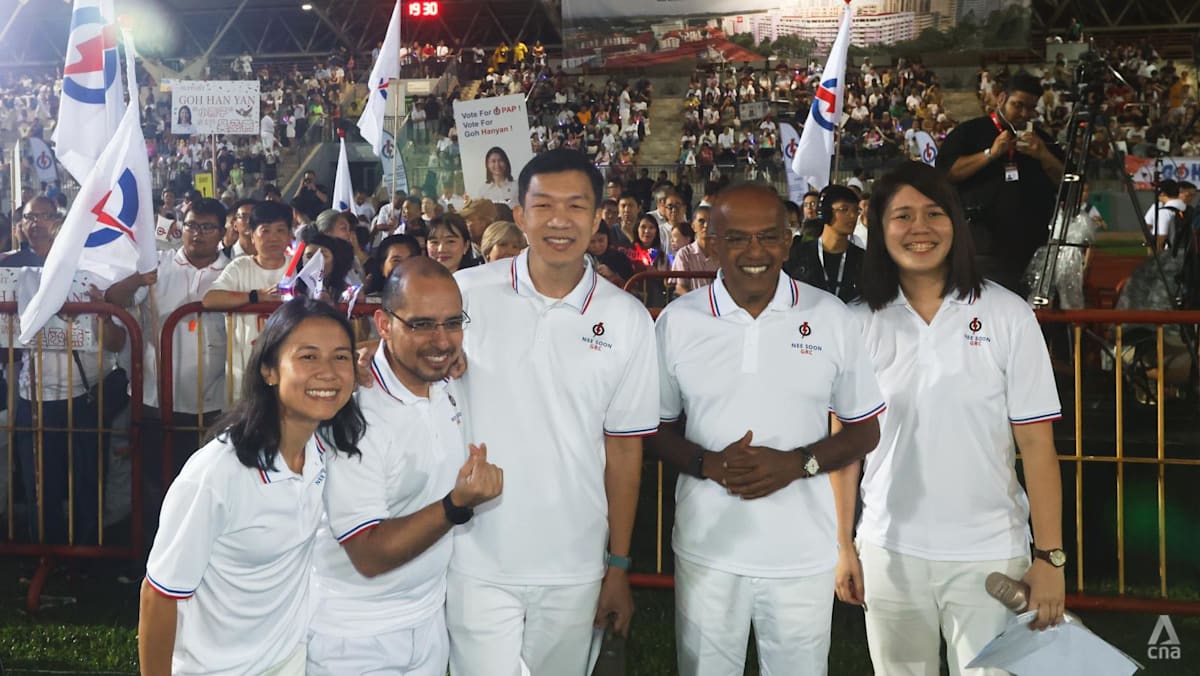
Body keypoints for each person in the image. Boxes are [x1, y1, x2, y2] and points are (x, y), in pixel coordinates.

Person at [650, 183, 884, 676]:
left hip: (803, 553)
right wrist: (706, 463)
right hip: (708, 551)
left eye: (769, 237)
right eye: (736, 238)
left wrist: (798, 464)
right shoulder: (678, 322)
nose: (755, 252)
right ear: (710, 242)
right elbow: (656, 429)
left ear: (788, 240)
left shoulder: (830, 317)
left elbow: (865, 430)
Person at [845, 162, 1066, 674]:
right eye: (902, 215)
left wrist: (1050, 557)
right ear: (879, 229)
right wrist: (844, 545)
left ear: (957, 224)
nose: (919, 228)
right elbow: (846, 448)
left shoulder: (1008, 314)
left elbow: (1036, 446)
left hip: (989, 554)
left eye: (934, 212)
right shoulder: (856, 322)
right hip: (888, 552)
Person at [447, 149, 658, 675]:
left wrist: (618, 564)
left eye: (575, 206)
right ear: (518, 215)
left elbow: (625, 451)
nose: (559, 221)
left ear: (597, 217)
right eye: (543, 205)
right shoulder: (465, 295)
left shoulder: (628, 319)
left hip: (574, 560)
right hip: (472, 554)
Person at [139, 299, 365, 675]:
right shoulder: (216, 475)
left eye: (341, 357)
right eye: (308, 357)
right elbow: (158, 595)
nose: (328, 373)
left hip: (289, 661)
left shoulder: (321, 444)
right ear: (269, 371)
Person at [309, 258, 503, 676]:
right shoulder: (353, 412)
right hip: (352, 638)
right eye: (421, 325)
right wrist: (456, 506)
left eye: (453, 323)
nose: (442, 340)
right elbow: (369, 553)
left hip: (429, 619)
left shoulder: (446, 380)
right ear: (383, 323)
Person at [104, 198, 230, 521]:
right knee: (154, 485)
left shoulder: (234, 273)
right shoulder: (159, 265)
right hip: (153, 396)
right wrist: (137, 279)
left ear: (223, 233)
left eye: (206, 227)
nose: (197, 234)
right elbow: (114, 299)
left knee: (203, 488)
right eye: (190, 225)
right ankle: (149, 559)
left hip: (210, 403)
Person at [937, 71, 1065, 292]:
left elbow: (1069, 182)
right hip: (982, 246)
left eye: (1031, 108)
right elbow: (946, 173)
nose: (1024, 113)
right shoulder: (969, 132)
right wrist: (990, 153)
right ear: (1001, 99)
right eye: (1018, 105)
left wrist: (1044, 155)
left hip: (1033, 247)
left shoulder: (1042, 140)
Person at [202, 200, 292, 395]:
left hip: (290, 367)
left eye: (280, 231)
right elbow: (211, 299)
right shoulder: (240, 267)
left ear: (289, 235)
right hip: (244, 368)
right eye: (265, 231)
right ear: (252, 235)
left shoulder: (299, 269)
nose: (273, 238)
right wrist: (255, 297)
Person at [784, 185, 866, 303]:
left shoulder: (863, 260)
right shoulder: (797, 255)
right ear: (825, 212)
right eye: (844, 209)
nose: (853, 216)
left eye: (855, 210)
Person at [670, 206, 717, 296]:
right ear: (693, 226)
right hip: (692, 305)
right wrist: (697, 303)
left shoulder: (723, 254)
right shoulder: (684, 254)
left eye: (710, 222)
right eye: (701, 221)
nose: (706, 225)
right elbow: (680, 287)